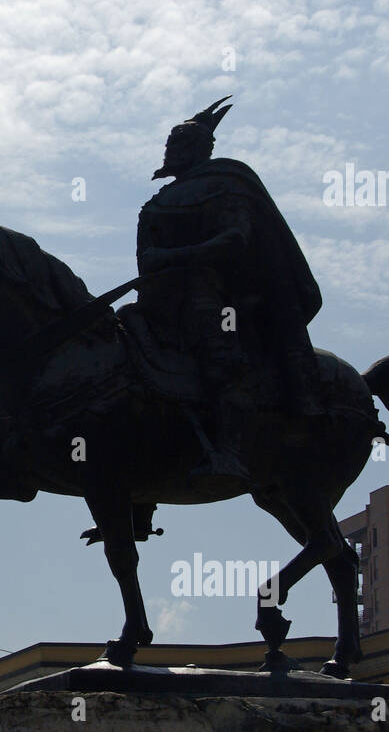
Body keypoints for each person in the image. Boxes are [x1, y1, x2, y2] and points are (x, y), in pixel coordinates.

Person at [130, 97, 323, 482]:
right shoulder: (159, 200)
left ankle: (230, 454)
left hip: (214, 295)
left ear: (200, 149)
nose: (173, 150)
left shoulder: (225, 185)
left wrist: (177, 256)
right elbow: (145, 255)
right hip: (159, 299)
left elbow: (236, 239)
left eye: (181, 144)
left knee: (219, 360)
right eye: (171, 143)